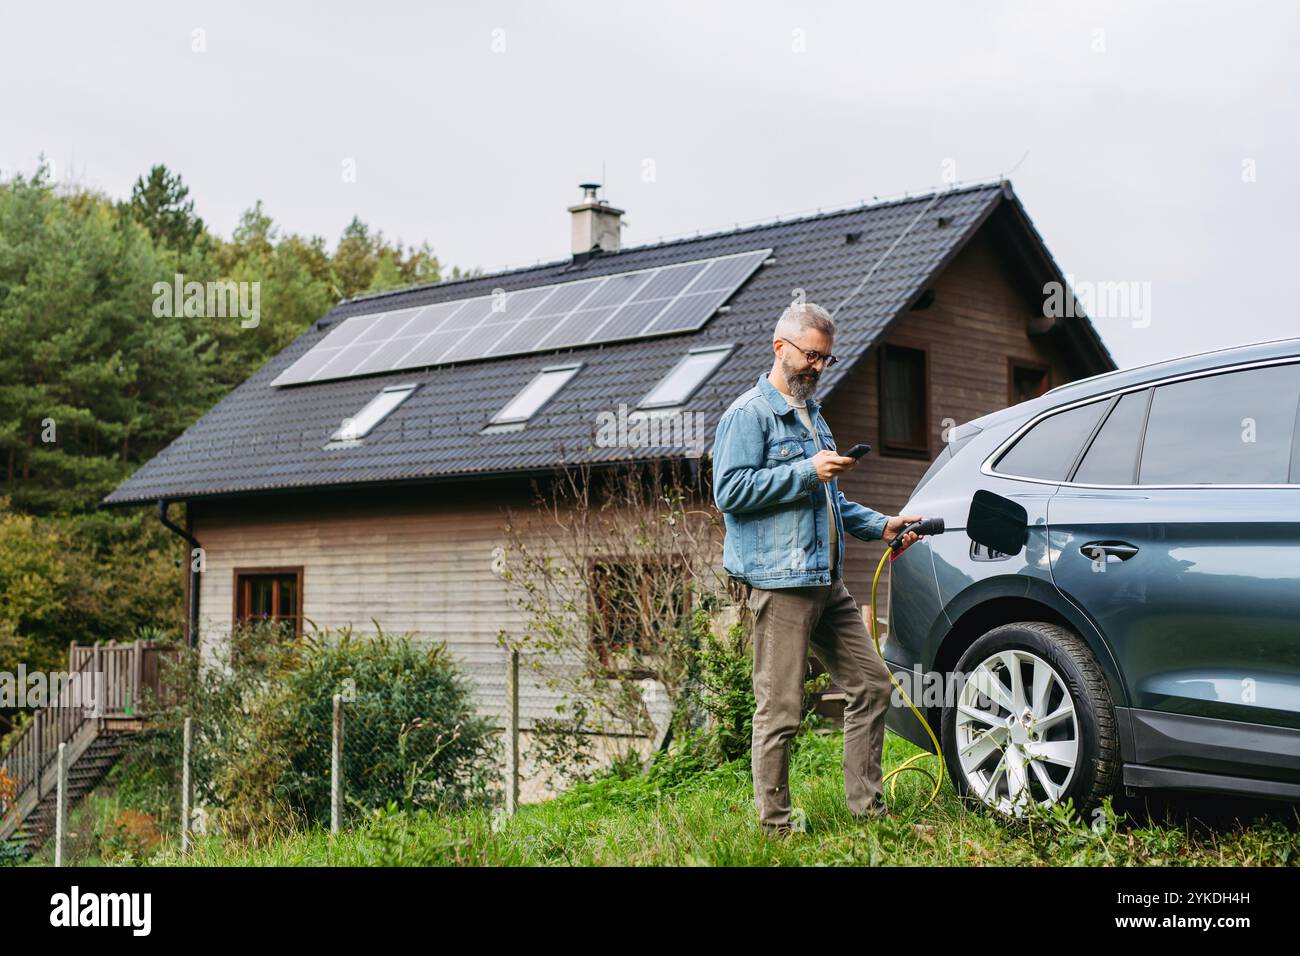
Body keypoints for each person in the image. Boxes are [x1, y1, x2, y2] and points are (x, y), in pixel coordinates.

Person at [712, 301, 923, 836]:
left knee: (873, 687)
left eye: (826, 359)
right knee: (781, 710)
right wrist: (806, 472)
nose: (818, 367)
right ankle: (776, 826)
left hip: (827, 582)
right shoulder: (747, 416)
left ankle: (866, 809)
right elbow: (730, 493)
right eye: (811, 356)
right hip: (781, 586)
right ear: (780, 346)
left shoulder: (815, 417)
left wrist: (883, 525)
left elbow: (834, 501)